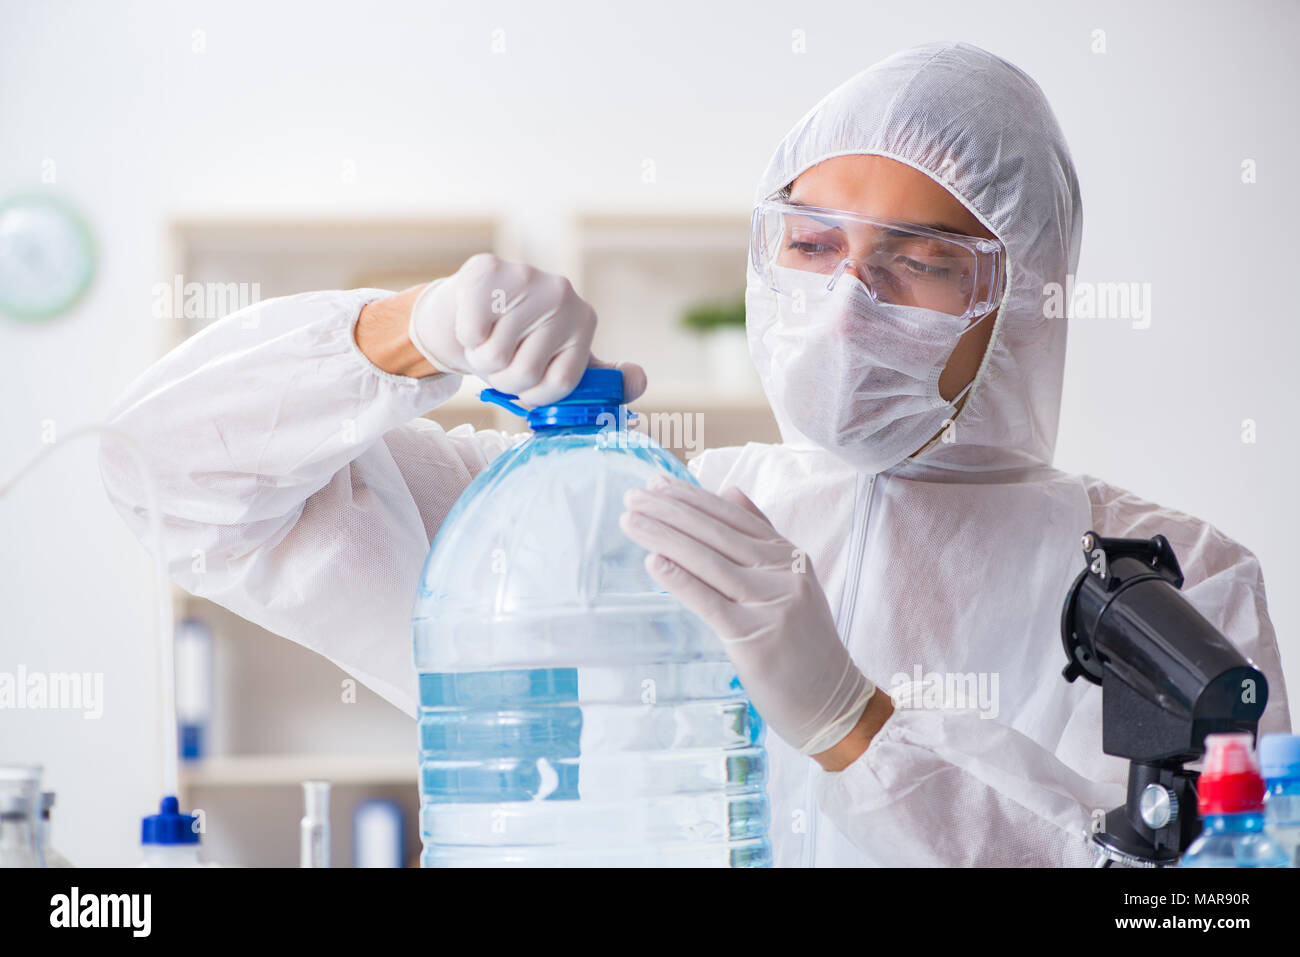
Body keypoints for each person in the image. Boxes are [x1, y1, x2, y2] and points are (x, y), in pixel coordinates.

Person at [100, 41, 1290, 866]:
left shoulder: (1169, 582)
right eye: (811, 243)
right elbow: (166, 472)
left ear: (1021, 299)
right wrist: (400, 335)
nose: (844, 302)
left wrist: (855, 729)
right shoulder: (612, 522)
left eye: (918, 260)